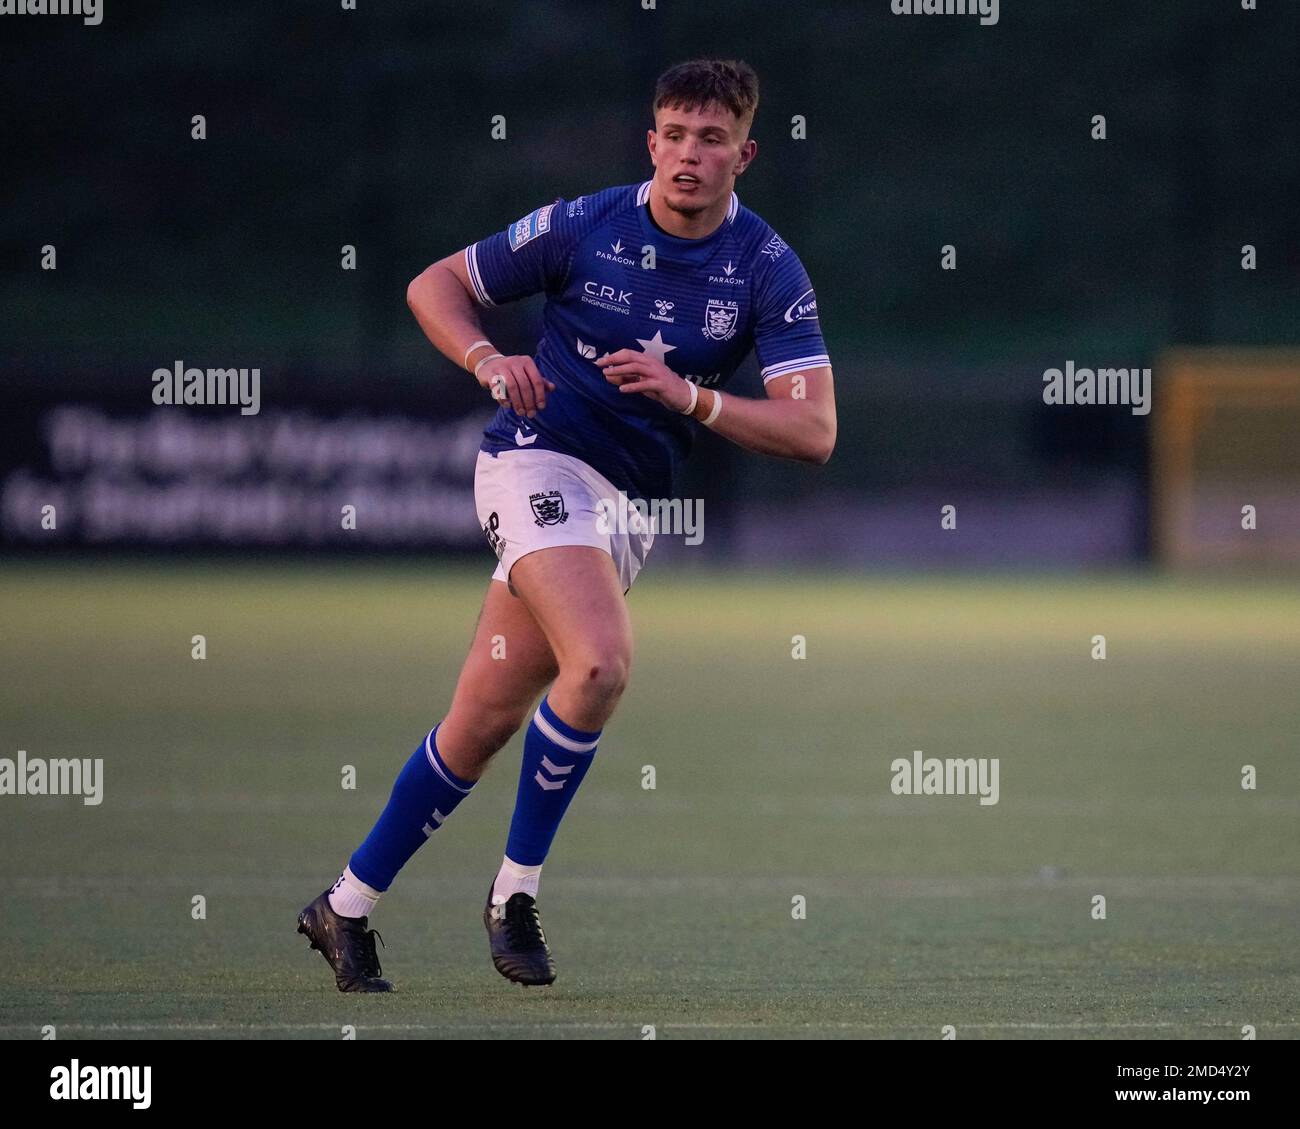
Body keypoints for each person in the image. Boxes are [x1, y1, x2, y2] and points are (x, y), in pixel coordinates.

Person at [297, 57, 835, 991]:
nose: (687, 156)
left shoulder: (766, 267)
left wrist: (693, 400)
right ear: (651, 141)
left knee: (481, 721)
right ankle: (514, 896)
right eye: (672, 134)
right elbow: (435, 284)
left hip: (623, 507)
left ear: (745, 154)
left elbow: (813, 430)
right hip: (532, 462)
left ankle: (343, 907)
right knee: (600, 661)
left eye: (711, 140)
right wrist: (485, 358)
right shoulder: (586, 222)